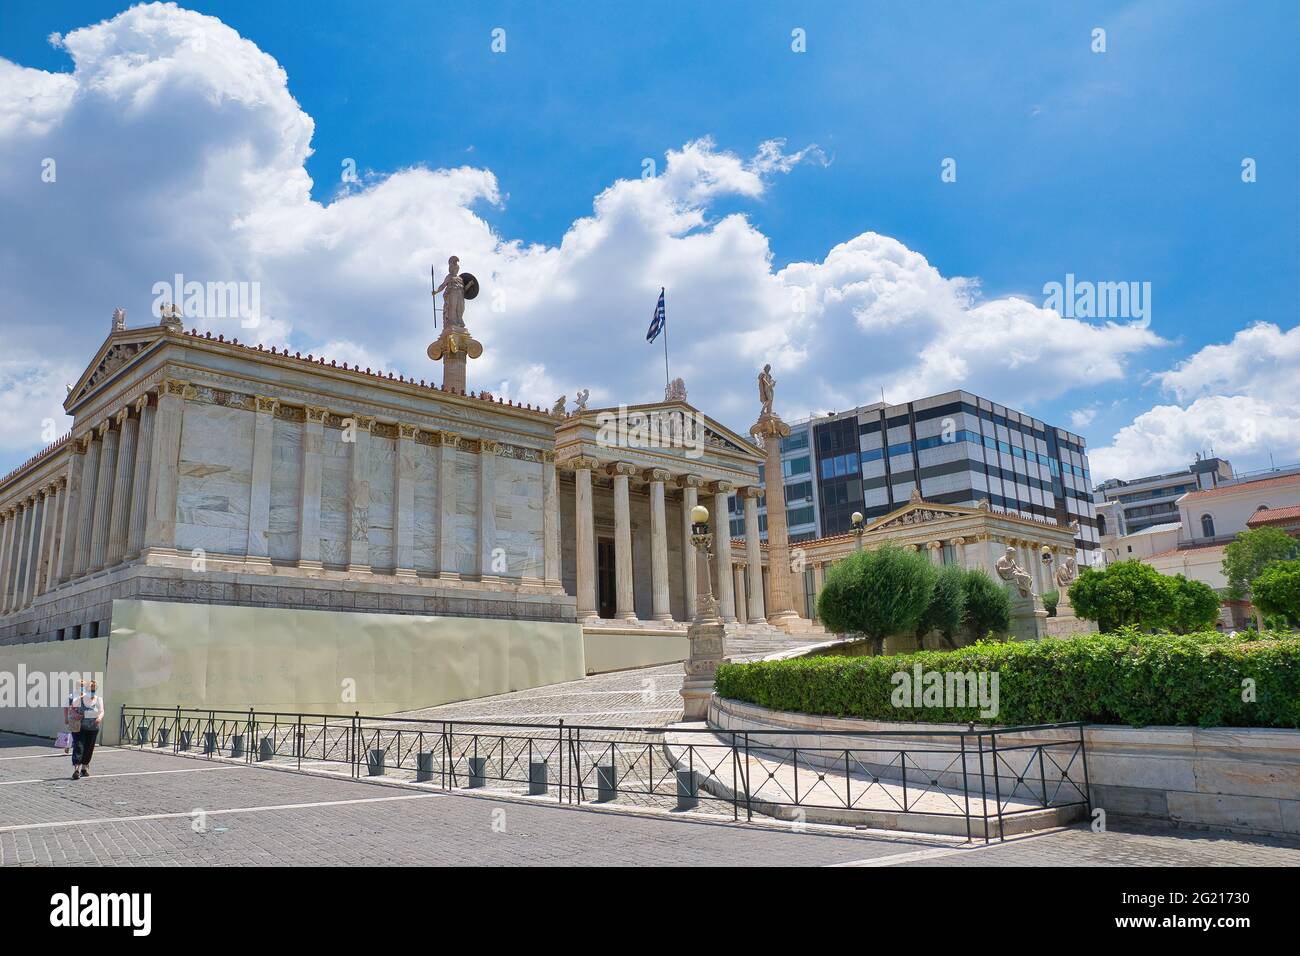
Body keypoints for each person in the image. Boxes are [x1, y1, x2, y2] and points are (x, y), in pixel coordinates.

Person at [70, 680, 104, 780]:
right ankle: (76, 769)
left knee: (89, 748)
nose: (91, 692)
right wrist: (76, 715)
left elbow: (102, 711)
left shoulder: (98, 699)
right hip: (80, 727)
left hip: (93, 728)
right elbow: (71, 709)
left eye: (93, 690)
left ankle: (84, 768)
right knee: (79, 746)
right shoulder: (79, 699)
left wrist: (99, 718)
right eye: (90, 690)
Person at [61, 680, 83, 754]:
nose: (82, 688)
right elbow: (66, 707)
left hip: (81, 718)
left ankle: (75, 748)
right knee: (72, 733)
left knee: (79, 734)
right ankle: (68, 746)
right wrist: (66, 718)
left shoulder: (85, 696)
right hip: (73, 718)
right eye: (80, 686)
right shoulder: (71, 696)